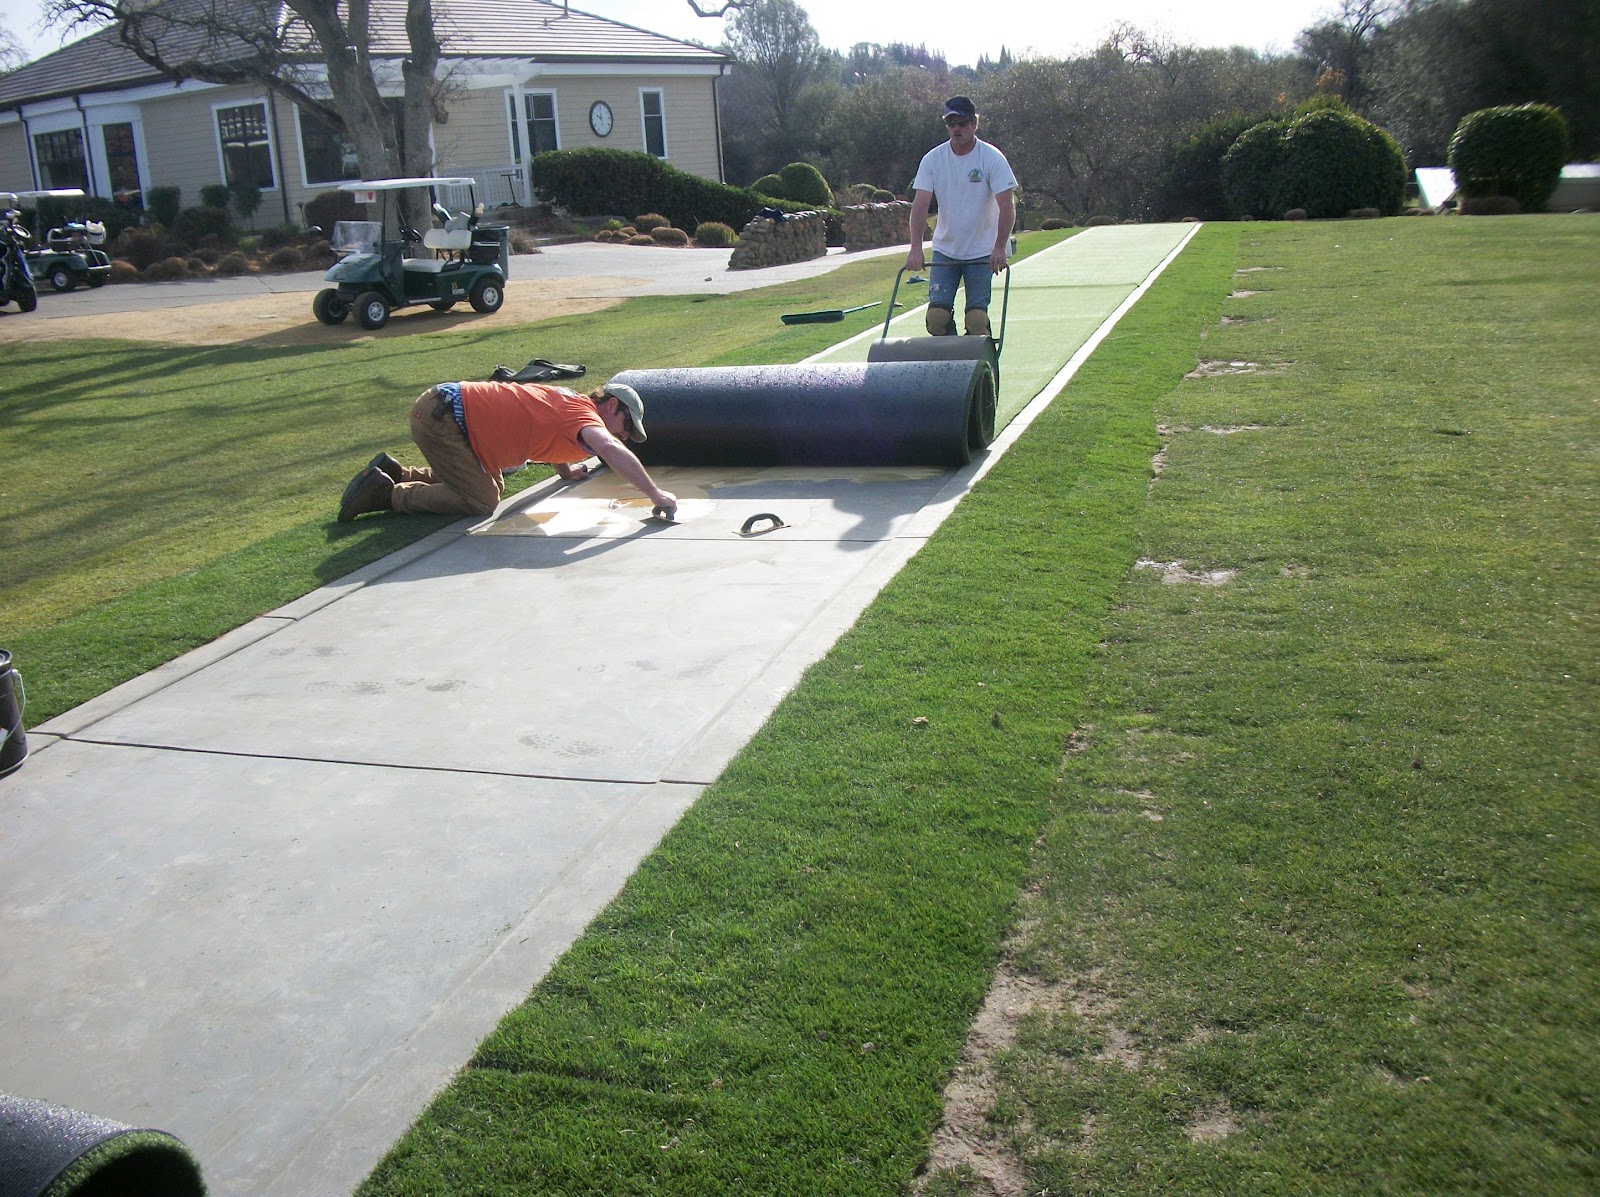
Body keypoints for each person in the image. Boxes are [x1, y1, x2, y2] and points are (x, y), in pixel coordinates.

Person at [338, 380, 676, 521]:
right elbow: (609, 448)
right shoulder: (585, 417)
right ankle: (387, 494)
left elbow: (543, 431)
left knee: (491, 486)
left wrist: (567, 471)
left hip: (447, 412)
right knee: (482, 500)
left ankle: (398, 472)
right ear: (612, 405)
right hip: (442, 420)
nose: (625, 436)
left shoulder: (571, 402)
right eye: (627, 427)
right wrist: (654, 493)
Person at [905, 95, 1019, 338]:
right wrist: (915, 247)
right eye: (952, 123)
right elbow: (920, 205)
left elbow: (1007, 206)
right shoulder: (933, 159)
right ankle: (952, 365)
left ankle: (979, 365)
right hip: (946, 250)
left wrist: (1000, 247)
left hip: (982, 252)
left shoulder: (991, 158)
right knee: (936, 318)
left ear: (974, 123)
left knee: (977, 320)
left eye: (963, 123)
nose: (957, 128)